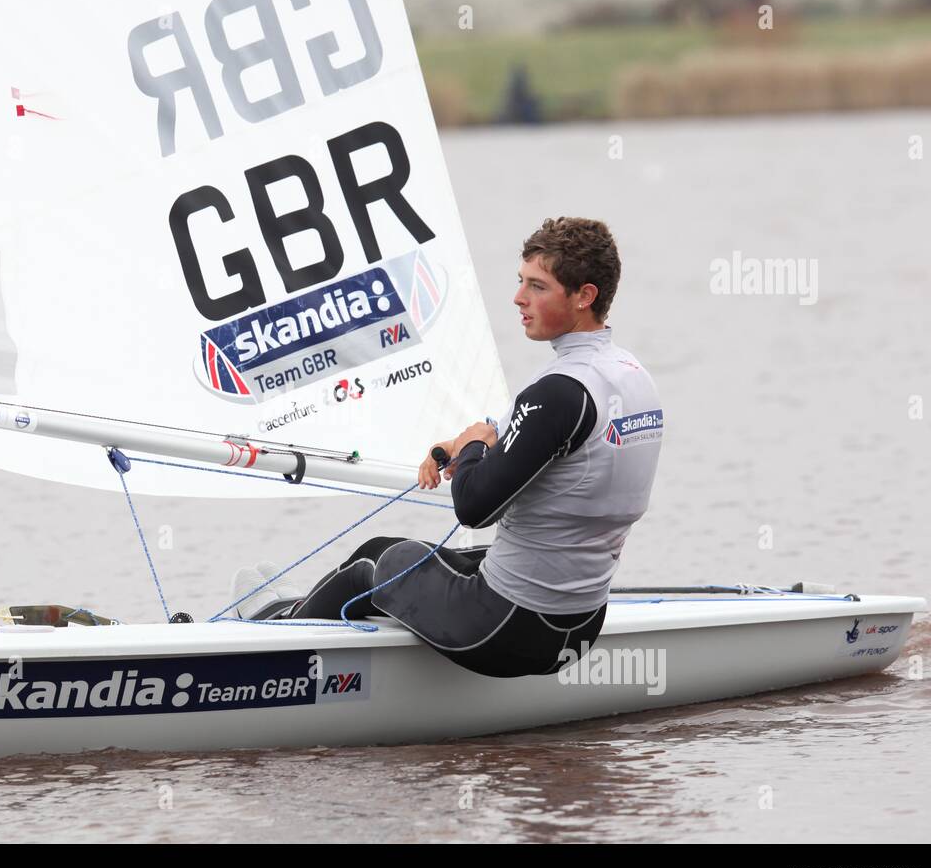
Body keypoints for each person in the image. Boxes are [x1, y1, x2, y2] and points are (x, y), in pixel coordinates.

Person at [231, 217, 663, 679]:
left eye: (538, 286)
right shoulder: (632, 377)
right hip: (578, 629)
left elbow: (474, 507)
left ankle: (278, 632)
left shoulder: (557, 392)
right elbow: (529, 434)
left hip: (506, 631)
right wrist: (464, 441)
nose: (518, 298)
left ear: (584, 296)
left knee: (377, 560)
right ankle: (313, 615)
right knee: (429, 555)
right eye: (521, 282)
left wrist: (474, 446)